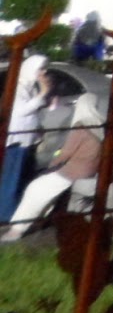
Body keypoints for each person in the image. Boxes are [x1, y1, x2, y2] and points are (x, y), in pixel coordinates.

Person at [2, 93, 104, 241]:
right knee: (44, 189)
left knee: (35, 189)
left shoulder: (81, 127)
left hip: (71, 172)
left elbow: (65, 153)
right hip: (88, 171)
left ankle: (17, 230)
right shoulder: (100, 125)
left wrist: (50, 166)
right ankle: (37, 221)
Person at [0, 56, 49, 223]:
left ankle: (17, 212)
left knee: (23, 178)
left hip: (28, 140)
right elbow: (21, 112)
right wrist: (43, 92)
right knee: (11, 179)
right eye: (40, 69)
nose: (43, 73)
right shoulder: (18, 87)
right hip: (17, 141)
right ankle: (5, 215)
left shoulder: (30, 87)